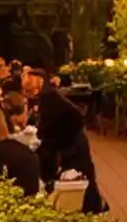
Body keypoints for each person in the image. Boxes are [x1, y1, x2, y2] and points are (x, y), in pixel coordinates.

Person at [37, 82, 106, 212]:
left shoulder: (62, 133)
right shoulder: (72, 126)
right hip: (83, 189)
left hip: (74, 193)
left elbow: (50, 164)